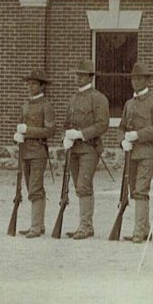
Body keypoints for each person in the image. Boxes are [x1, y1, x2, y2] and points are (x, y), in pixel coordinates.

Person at [62, 60, 110, 240]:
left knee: (84, 184)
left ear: (91, 77)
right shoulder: (73, 98)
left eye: (82, 74)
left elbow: (102, 125)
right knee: (78, 186)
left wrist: (81, 133)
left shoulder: (98, 98)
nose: (78, 77)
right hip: (73, 149)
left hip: (90, 148)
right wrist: (66, 136)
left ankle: (85, 226)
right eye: (77, 74)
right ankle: (84, 225)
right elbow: (66, 123)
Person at [117, 61, 153, 244]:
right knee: (133, 191)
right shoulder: (129, 103)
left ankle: (138, 231)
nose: (135, 82)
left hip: (147, 153)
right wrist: (122, 141)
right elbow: (121, 127)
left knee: (141, 190)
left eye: (139, 78)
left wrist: (137, 135)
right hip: (131, 154)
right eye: (133, 78)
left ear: (146, 80)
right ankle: (145, 230)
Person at [13, 69, 54, 239]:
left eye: (34, 84)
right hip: (25, 152)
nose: (30, 87)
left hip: (38, 151)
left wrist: (27, 131)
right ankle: (39, 224)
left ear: (42, 86)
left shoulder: (46, 106)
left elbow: (50, 130)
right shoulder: (25, 105)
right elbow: (20, 125)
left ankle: (36, 227)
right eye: (29, 84)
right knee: (31, 187)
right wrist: (17, 136)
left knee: (35, 188)